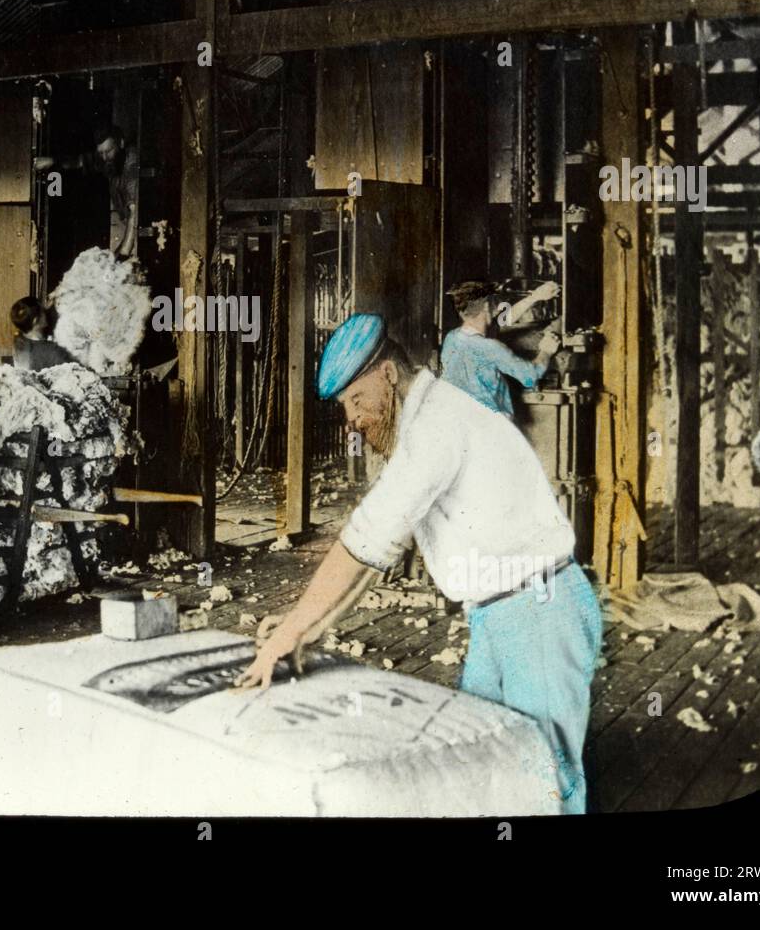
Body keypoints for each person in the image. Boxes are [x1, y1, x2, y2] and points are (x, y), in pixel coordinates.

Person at [235, 312, 603, 815]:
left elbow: (363, 539)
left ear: (388, 374)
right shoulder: (429, 419)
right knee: (482, 760)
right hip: (497, 614)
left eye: (357, 400)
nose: (354, 420)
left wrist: (290, 632)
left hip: (539, 613)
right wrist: (313, 626)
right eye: (346, 409)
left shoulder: (436, 427)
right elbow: (375, 555)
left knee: (546, 778)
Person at [440, 279, 561, 419]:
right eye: (495, 303)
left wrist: (535, 297)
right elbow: (530, 376)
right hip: (491, 424)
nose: (498, 308)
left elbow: (501, 321)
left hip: (461, 420)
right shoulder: (492, 348)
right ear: (486, 307)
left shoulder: (452, 338)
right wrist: (546, 350)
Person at [34, 123, 140, 259]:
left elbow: (135, 211)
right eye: (101, 153)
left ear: (121, 143)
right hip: (130, 228)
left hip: (138, 228)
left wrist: (123, 254)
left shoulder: (131, 166)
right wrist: (53, 161)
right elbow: (80, 161)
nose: (105, 157)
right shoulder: (110, 160)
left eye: (108, 151)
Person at [9, 296, 75, 370]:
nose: (46, 311)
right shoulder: (53, 352)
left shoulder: (19, 340)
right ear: (36, 320)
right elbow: (79, 374)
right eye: (43, 310)